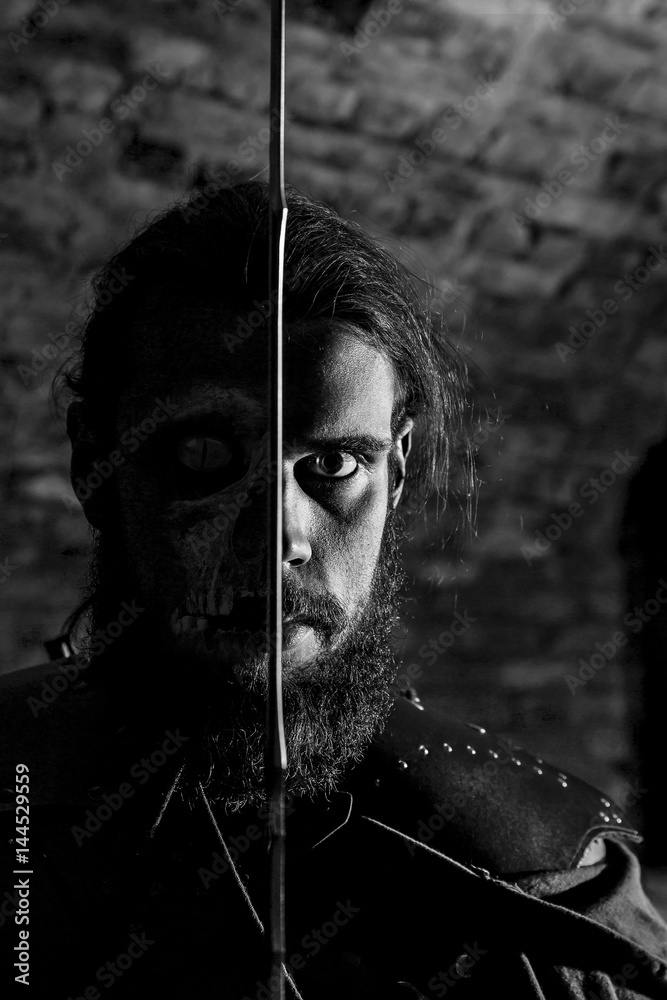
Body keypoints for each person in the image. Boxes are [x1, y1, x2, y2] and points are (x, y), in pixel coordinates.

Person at [1, 182, 666, 1000]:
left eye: (332, 466)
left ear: (398, 469)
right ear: (93, 463)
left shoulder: (532, 882)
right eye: (204, 454)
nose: (279, 537)